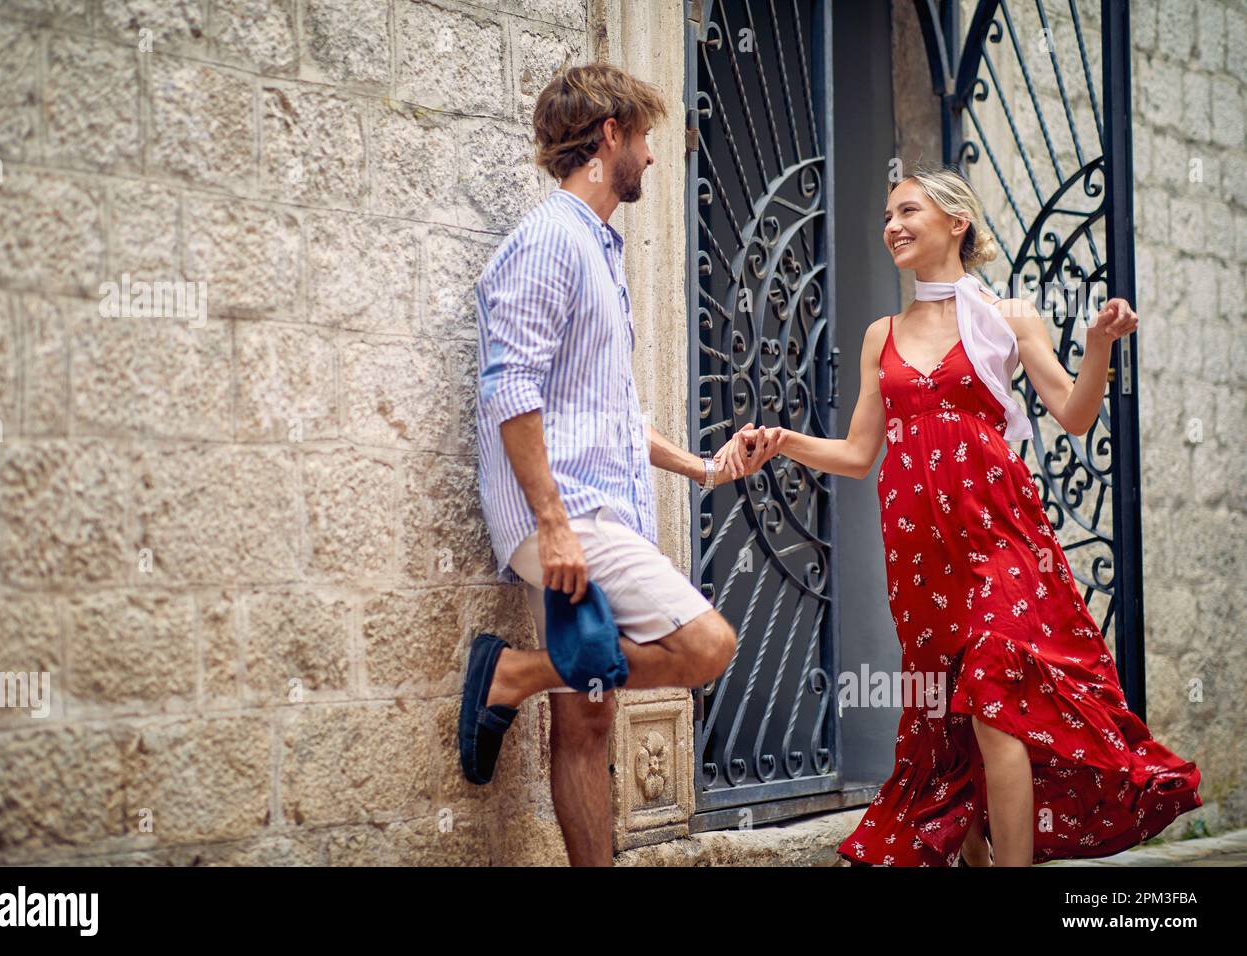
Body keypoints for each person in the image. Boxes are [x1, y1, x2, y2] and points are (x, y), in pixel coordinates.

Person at [717, 163, 1202, 866]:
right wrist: (784, 442)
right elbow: (858, 453)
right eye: (887, 216)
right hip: (919, 551)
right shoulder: (881, 335)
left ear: (956, 221)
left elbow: (1072, 413)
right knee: (949, 718)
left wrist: (1097, 347)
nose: (892, 226)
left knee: (997, 701)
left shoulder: (1006, 318)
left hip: (1000, 537)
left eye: (908, 211)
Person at [459, 63, 765, 866]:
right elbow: (508, 388)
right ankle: (513, 675)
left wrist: (700, 468)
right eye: (645, 139)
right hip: (569, 518)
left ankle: (536, 685)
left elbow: (611, 415)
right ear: (609, 138)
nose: (652, 158)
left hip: (595, 510)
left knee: (589, 713)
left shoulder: (597, 248)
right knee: (707, 646)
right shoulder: (551, 240)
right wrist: (553, 525)